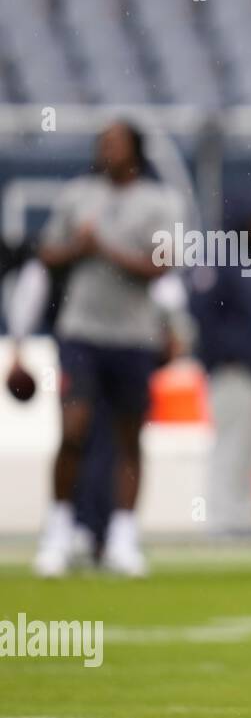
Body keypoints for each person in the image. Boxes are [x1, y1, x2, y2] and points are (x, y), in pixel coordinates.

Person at [32, 121, 185, 578]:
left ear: (136, 150)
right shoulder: (78, 194)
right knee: (73, 428)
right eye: (102, 143)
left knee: (128, 436)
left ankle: (122, 535)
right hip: (81, 328)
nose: (107, 150)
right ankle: (60, 529)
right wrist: (78, 247)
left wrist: (105, 248)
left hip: (135, 334)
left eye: (115, 143)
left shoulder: (159, 202)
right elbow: (45, 254)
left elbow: (161, 265)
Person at [187, 194, 251, 534]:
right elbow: (202, 314)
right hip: (234, 372)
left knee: (249, 448)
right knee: (230, 445)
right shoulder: (221, 258)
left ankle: (244, 514)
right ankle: (221, 518)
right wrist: (227, 354)